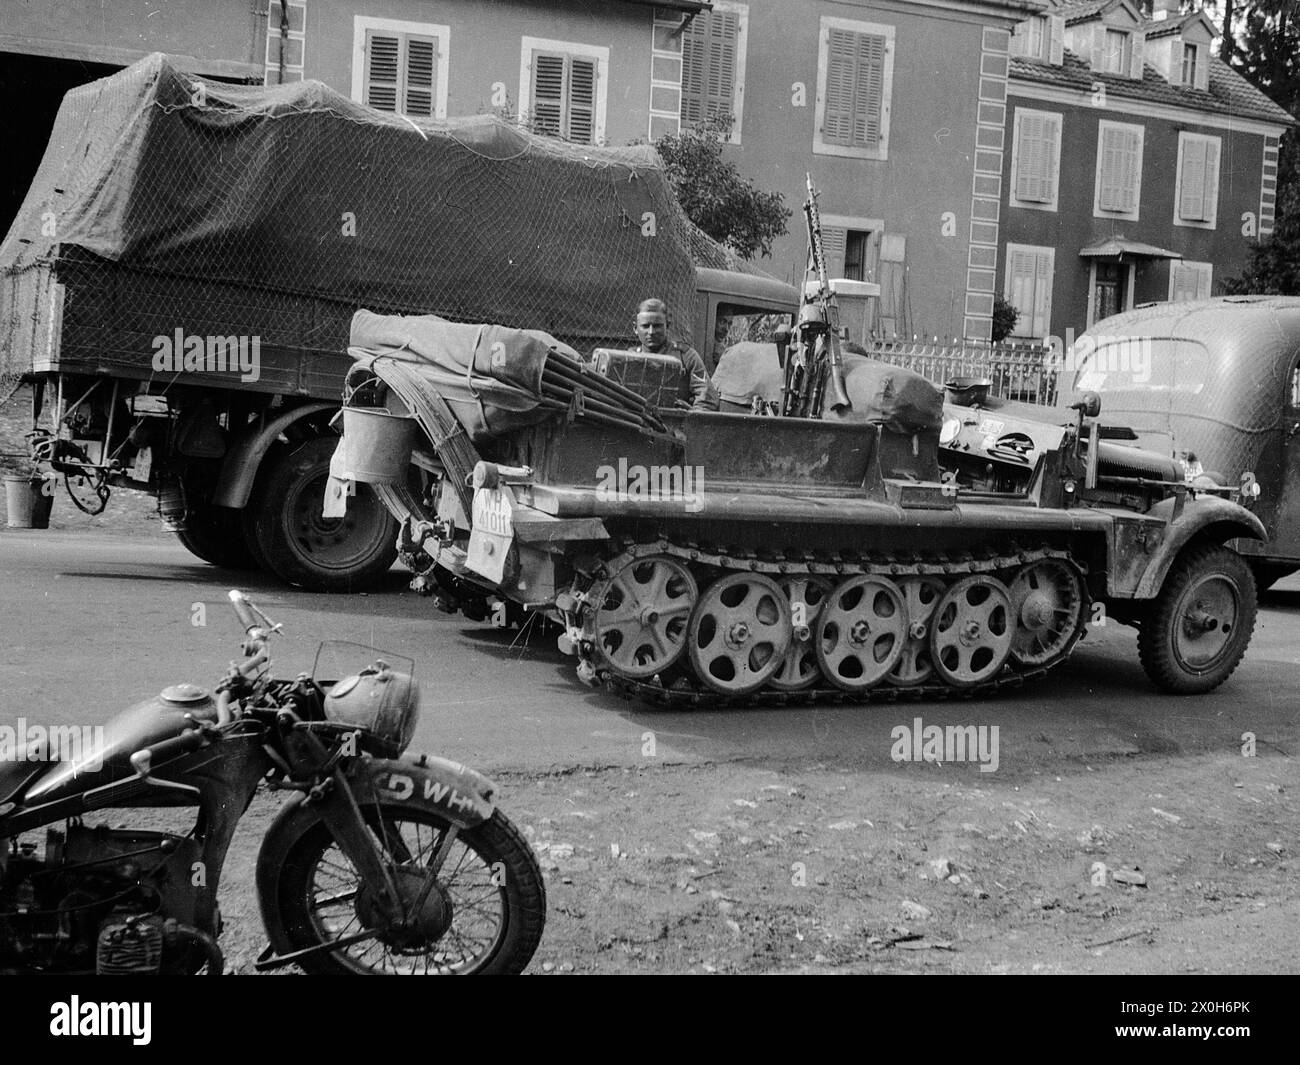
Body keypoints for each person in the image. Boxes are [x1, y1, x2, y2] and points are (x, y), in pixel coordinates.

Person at [632, 298, 719, 410]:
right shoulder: (629, 358)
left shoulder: (686, 356)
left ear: (667, 326)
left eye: (657, 326)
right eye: (645, 326)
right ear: (635, 328)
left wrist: (689, 418)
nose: (651, 332)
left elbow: (707, 399)